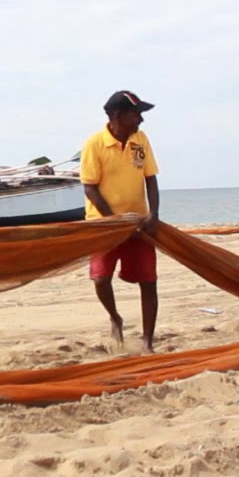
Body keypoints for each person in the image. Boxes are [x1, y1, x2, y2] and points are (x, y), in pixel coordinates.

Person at [79, 91, 161, 352]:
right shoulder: (94, 144)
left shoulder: (140, 140)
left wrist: (153, 215)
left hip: (139, 225)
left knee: (148, 280)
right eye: (135, 114)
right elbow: (90, 188)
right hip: (103, 224)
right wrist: (114, 220)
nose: (140, 120)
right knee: (101, 278)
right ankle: (115, 317)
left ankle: (147, 342)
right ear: (117, 116)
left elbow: (150, 178)